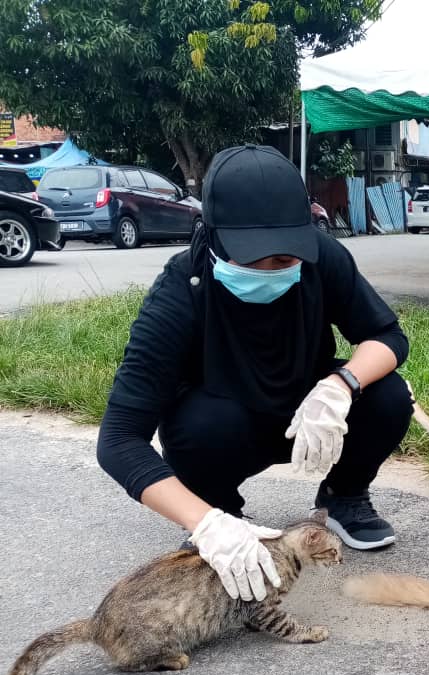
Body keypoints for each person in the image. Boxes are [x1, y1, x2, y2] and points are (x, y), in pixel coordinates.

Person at [96, 144, 412, 602]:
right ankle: (222, 512)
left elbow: (388, 336)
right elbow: (119, 439)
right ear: (213, 238)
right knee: (195, 425)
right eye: (253, 258)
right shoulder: (178, 293)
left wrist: (340, 385)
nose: (271, 268)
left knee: (389, 395)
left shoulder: (322, 257)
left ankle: (344, 496)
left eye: (285, 259)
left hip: (308, 417)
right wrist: (204, 522)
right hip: (226, 427)